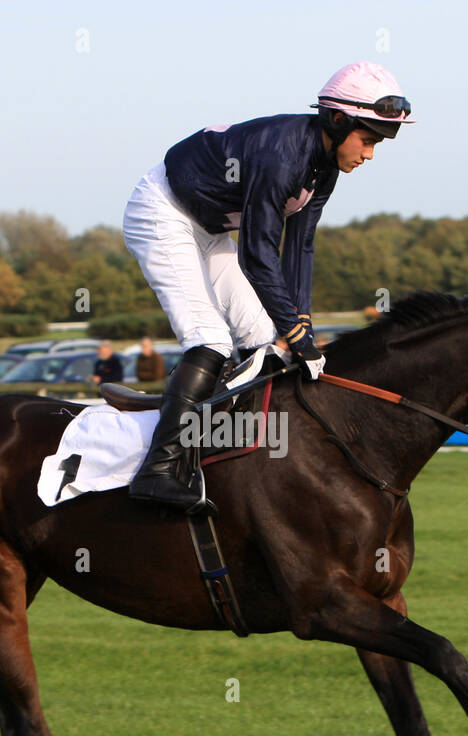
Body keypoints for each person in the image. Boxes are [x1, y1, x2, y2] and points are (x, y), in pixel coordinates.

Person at [121, 60, 413, 510]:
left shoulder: (324, 169)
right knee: (210, 339)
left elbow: (300, 249)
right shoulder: (282, 154)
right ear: (338, 120)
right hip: (164, 212)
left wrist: (302, 331)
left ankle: (237, 459)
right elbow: (257, 253)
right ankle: (159, 469)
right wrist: (296, 333)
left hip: (208, 227)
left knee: (265, 343)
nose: (369, 154)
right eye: (368, 140)